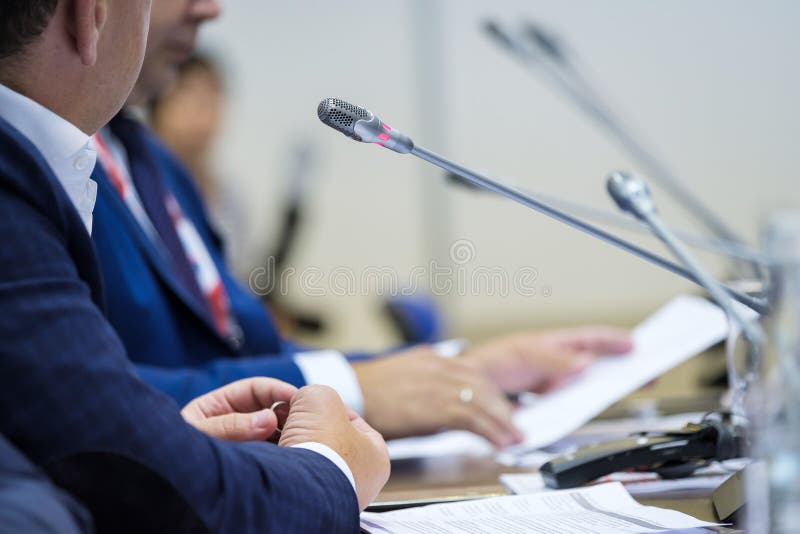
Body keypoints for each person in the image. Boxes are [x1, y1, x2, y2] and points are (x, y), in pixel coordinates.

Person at [90, 0, 634, 449]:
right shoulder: (37, 172)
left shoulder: (152, 164)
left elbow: (243, 354)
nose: (210, 9)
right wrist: (353, 389)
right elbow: (87, 391)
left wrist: (466, 367)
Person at [0, 1, 389, 532]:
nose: (211, 8)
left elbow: (56, 420)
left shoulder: (140, 160)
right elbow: (111, 456)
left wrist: (168, 438)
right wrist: (335, 469)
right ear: (91, 13)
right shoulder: (12, 183)